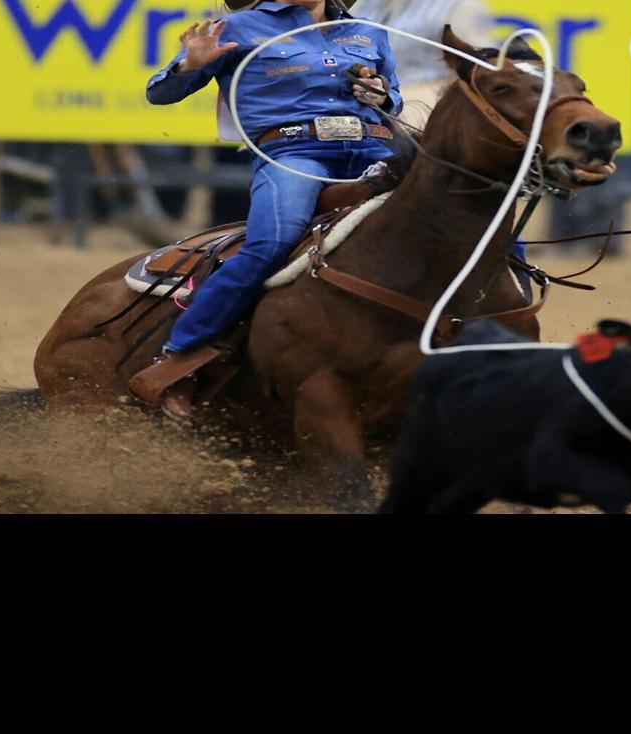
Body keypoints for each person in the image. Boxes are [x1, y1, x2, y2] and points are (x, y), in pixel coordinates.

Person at [129, 0, 402, 421]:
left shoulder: (370, 31)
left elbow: (394, 101)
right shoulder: (234, 27)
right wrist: (190, 65)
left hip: (375, 147)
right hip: (293, 152)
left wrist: (380, 93)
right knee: (272, 242)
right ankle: (178, 359)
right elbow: (159, 93)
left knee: (461, 211)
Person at [348, 0, 493, 130]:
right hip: (363, 105)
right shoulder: (362, 6)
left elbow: (481, 71)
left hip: (426, 111)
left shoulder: (461, 5)